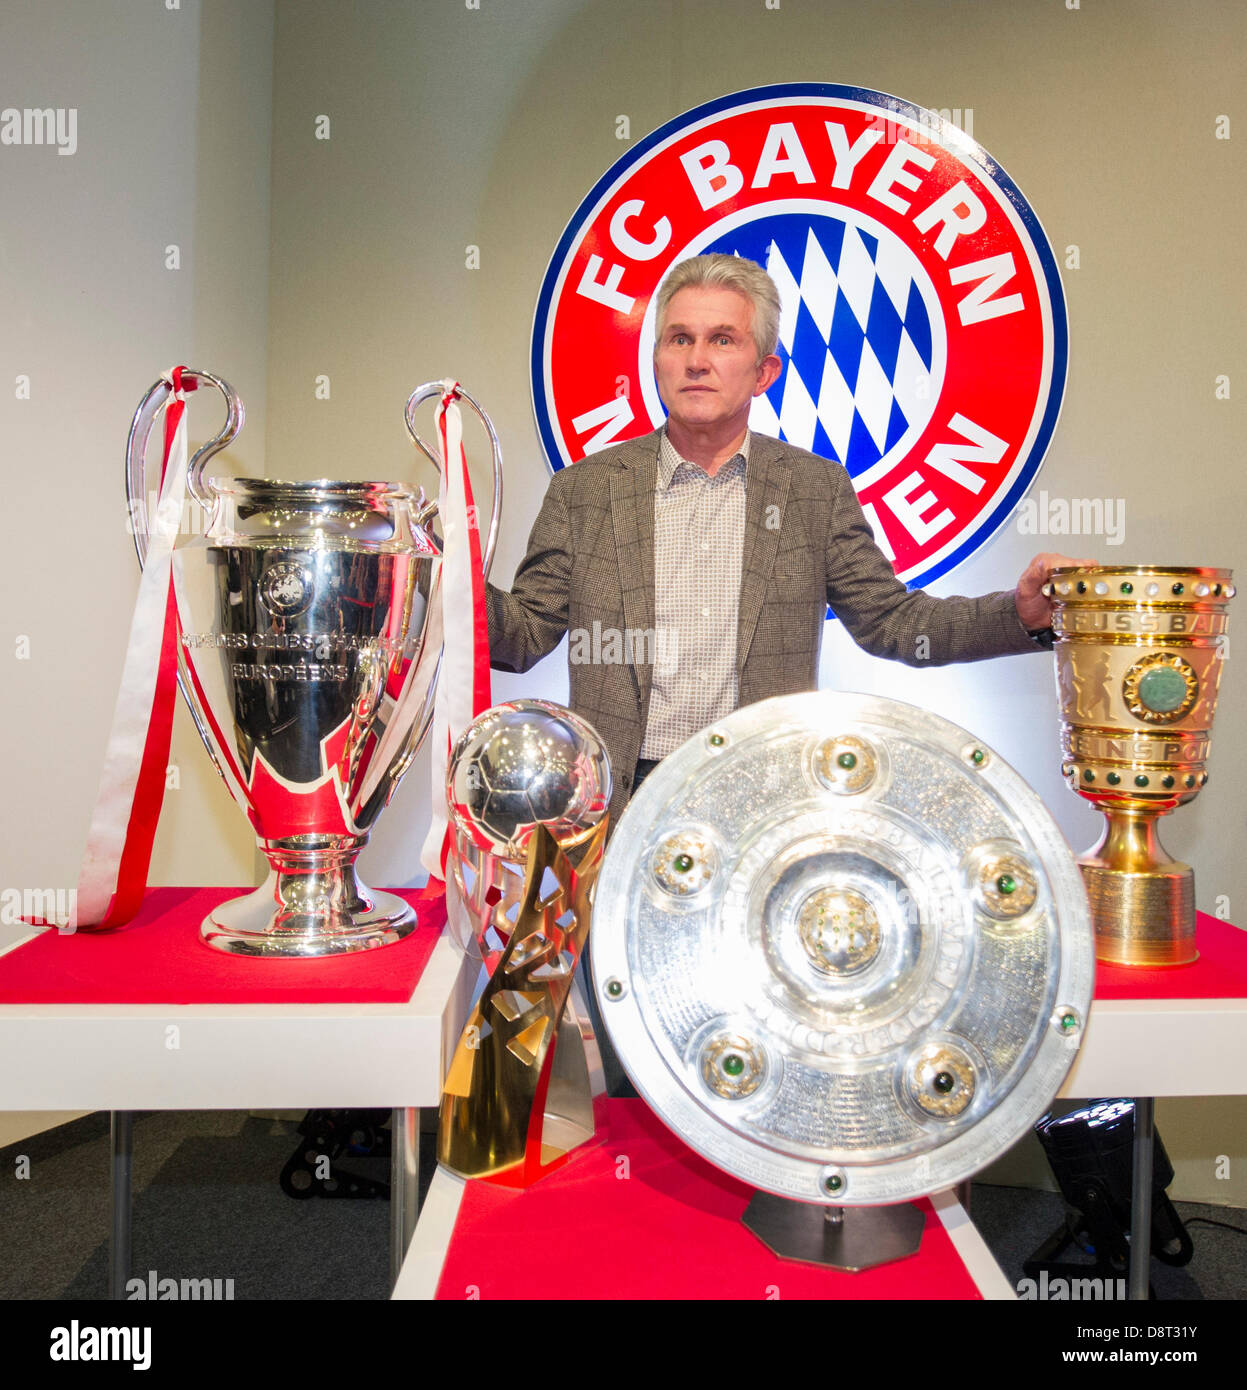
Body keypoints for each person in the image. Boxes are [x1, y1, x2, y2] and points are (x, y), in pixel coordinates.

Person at [487, 252, 1088, 823]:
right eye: (680, 339)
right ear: (657, 360)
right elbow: (522, 635)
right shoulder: (585, 490)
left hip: (761, 797)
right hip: (615, 804)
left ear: (764, 372)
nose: (697, 360)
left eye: (723, 340)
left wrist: (1021, 614)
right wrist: (437, 579)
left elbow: (896, 625)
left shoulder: (813, 490)